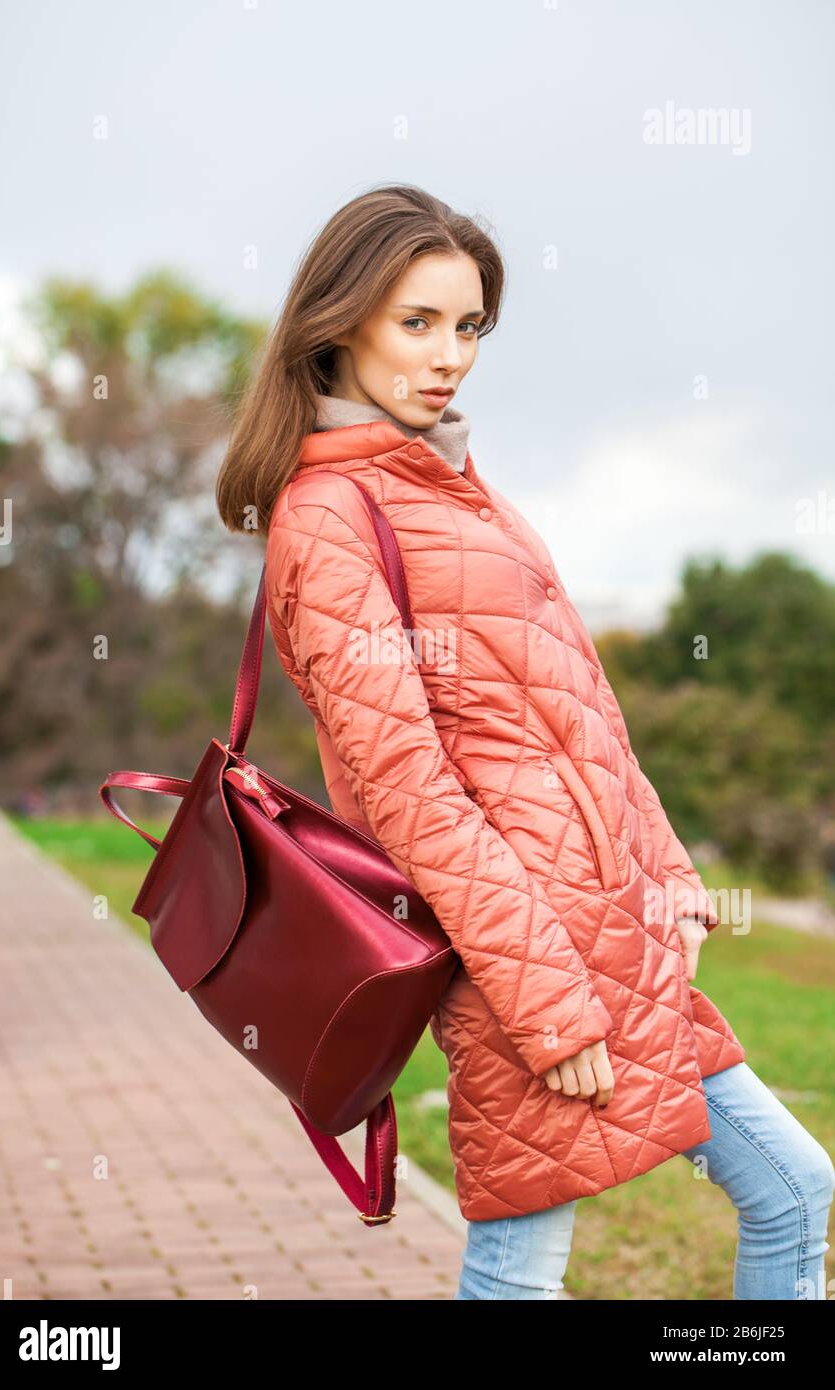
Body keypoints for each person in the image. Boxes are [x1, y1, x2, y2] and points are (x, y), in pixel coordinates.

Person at [215, 182, 834, 1299]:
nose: (449, 355)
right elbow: (405, 789)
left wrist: (666, 873)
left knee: (792, 1190)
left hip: (607, 928)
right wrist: (543, 999)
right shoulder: (329, 516)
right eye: (417, 322)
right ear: (337, 322)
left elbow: (577, 707)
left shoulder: (450, 485)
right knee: (523, 1261)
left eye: (468, 327)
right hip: (521, 956)